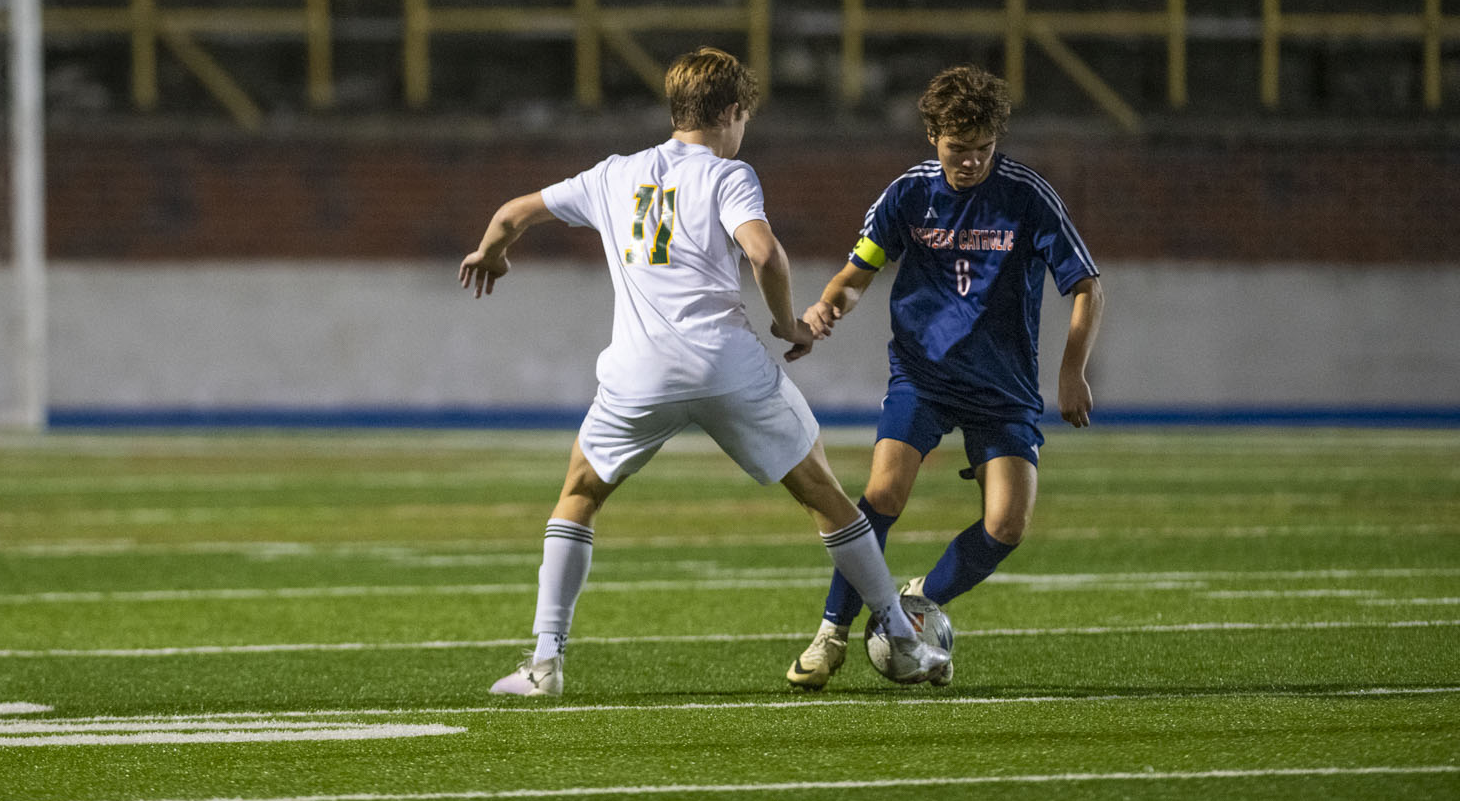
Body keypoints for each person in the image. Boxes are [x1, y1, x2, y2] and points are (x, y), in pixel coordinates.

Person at [458, 46, 950, 698]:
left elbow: (511, 214)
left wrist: (492, 255)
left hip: (640, 373)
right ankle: (901, 633)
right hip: (726, 365)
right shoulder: (727, 174)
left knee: (578, 494)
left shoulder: (613, 173)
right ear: (732, 111)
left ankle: (545, 661)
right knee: (822, 492)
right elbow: (765, 252)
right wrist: (787, 323)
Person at [787, 64, 1105, 691]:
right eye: (959, 150)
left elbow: (1088, 285)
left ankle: (918, 599)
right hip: (923, 375)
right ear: (933, 136)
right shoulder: (908, 194)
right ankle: (831, 633)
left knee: (1007, 525)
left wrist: (1073, 371)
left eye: (984, 150)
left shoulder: (1028, 196)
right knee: (882, 496)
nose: (971, 163)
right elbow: (858, 274)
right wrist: (828, 306)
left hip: (1003, 385)